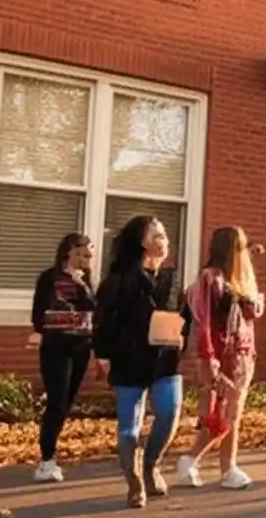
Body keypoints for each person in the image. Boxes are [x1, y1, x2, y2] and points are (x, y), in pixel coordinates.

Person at [93, 216, 191, 509]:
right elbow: (103, 321)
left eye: (165, 235)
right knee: (129, 428)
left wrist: (182, 333)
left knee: (169, 412)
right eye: (157, 235)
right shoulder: (118, 279)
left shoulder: (171, 278)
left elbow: (182, 315)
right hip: (129, 359)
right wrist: (103, 355)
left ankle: (151, 465)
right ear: (141, 242)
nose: (164, 241)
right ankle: (134, 482)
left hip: (165, 359)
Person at [176, 226, 264, 490]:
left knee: (229, 414)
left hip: (243, 353)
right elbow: (203, 321)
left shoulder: (238, 279)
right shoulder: (211, 279)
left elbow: (250, 312)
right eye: (240, 247)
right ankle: (225, 467)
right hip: (222, 354)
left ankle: (196, 461)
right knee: (223, 415)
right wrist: (209, 357)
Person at [31, 232, 98, 483]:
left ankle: (51, 450)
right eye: (83, 254)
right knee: (56, 401)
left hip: (80, 346)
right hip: (56, 347)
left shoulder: (87, 280)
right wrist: (50, 328)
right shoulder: (49, 278)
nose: (86, 259)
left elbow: (93, 309)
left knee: (67, 402)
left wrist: (82, 286)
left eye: (90, 255)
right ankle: (47, 460)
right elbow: (38, 315)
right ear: (68, 252)